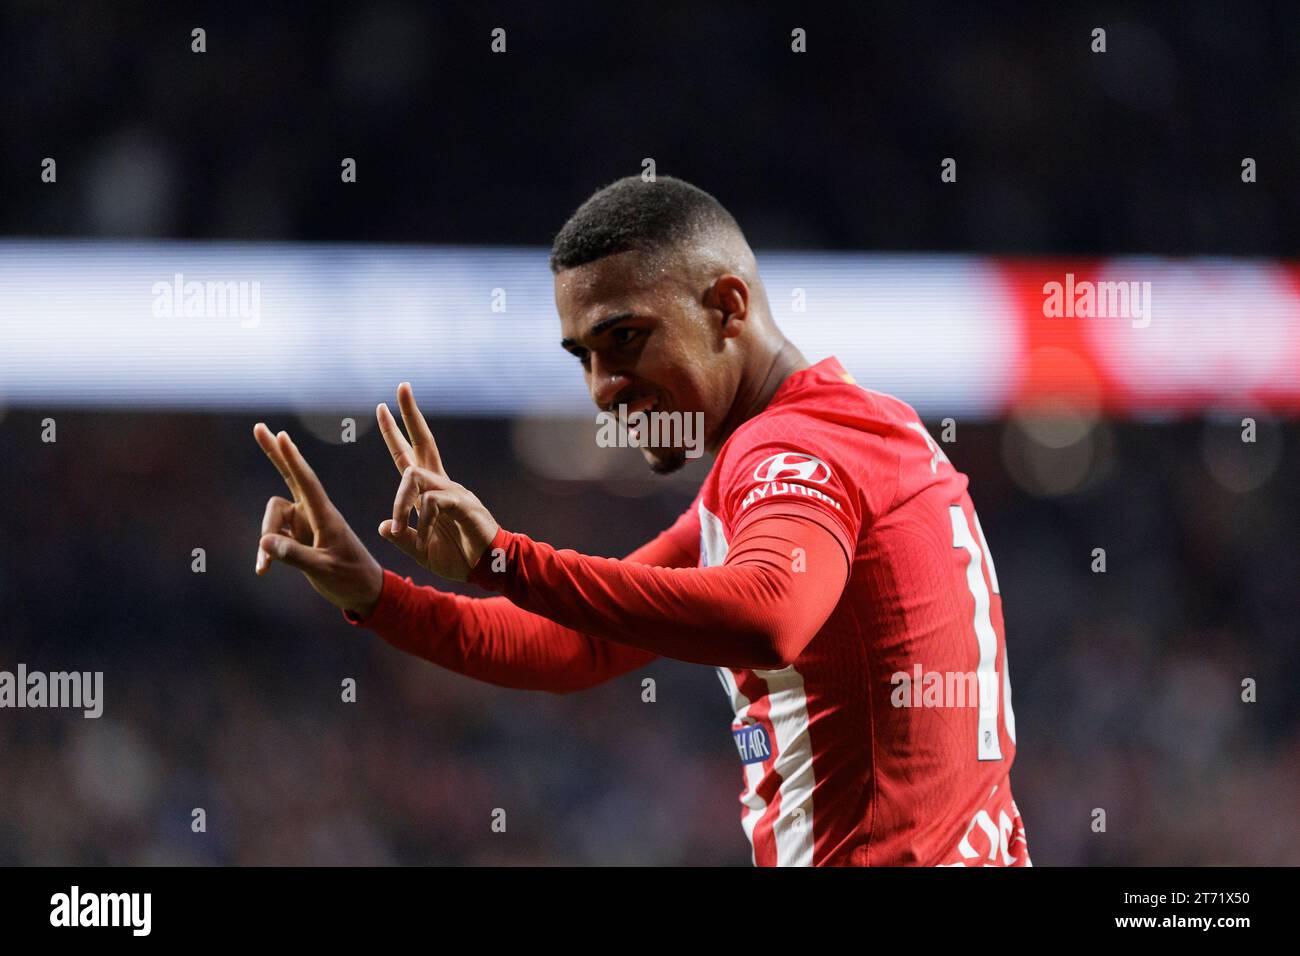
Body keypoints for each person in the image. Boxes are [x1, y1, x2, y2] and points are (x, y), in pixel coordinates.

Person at [253, 176, 1029, 866]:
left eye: (624, 339)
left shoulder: (791, 448)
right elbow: (580, 645)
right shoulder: (841, 432)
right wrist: (379, 596)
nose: (601, 388)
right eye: (582, 357)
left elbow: (771, 616)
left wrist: (506, 560)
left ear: (727, 307)